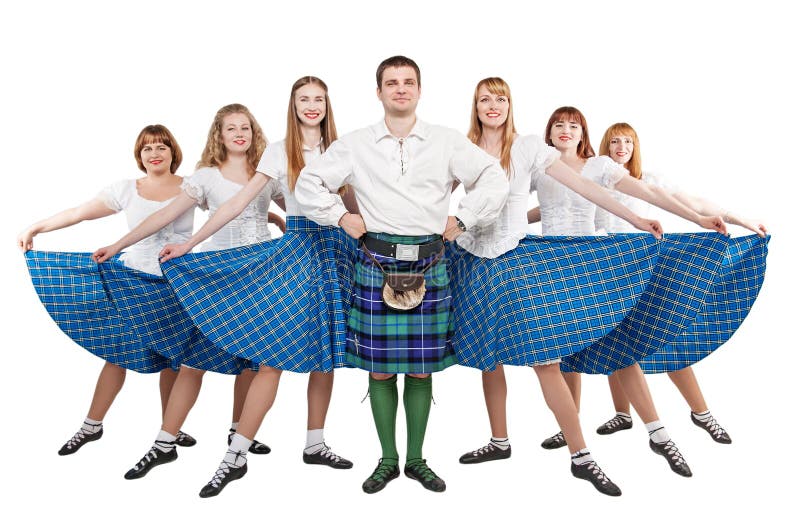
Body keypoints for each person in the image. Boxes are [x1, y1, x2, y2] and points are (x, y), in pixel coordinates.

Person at [294, 56, 509, 494]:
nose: (400, 89)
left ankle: (417, 460)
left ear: (419, 89)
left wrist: (464, 219)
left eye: (408, 82)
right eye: (391, 83)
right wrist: (340, 216)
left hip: (430, 262)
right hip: (376, 262)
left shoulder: (446, 141)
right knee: (378, 370)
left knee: (421, 370)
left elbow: (493, 178)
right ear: (378, 92)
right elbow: (308, 184)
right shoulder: (355, 144)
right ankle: (387, 460)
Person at [153, 77, 356, 497]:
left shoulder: (346, 147)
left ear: (327, 105)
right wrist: (190, 243)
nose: (312, 106)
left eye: (319, 99)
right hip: (299, 250)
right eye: (304, 100)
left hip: (339, 248)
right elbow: (238, 202)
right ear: (293, 105)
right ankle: (236, 454)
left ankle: (315, 442)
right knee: (272, 357)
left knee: (326, 355)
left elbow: (355, 204)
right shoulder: (281, 150)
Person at [531, 107, 729, 477]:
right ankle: (571, 428)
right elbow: (526, 205)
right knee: (561, 352)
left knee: (622, 345)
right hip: (550, 262)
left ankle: (659, 433)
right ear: (548, 131)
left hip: (595, 260)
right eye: (558, 124)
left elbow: (650, 191)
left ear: (584, 134)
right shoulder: (539, 165)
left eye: (574, 125)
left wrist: (703, 220)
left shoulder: (598, 167)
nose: (565, 130)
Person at [93, 104, 277, 479]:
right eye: (231, 128)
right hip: (213, 274)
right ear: (219, 135)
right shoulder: (206, 176)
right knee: (193, 361)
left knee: (254, 361)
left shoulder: (267, 172)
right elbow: (163, 215)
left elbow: (296, 210)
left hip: (259, 271)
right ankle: (164, 442)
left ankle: (237, 432)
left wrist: (280, 220)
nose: (239, 133)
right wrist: (117, 245)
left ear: (254, 132)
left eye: (245, 127)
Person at [18, 125, 198, 457]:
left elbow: (231, 207)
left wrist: (271, 215)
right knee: (117, 354)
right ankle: (91, 426)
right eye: (147, 149)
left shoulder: (193, 186)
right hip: (130, 279)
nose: (155, 153)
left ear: (173, 151)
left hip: (175, 284)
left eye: (161, 146)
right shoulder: (127, 189)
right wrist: (37, 226)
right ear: (139, 156)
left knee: (176, 358)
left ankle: (170, 431)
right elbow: (79, 213)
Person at [590, 122, 767, 444]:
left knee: (668, 338)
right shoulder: (594, 177)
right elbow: (554, 205)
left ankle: (702, 414)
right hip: (607, 265)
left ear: (635, 147)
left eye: (628, 142)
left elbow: (693, 202)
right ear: (605, 145)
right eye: (614, 141)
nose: (621, 147)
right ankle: (622, 414)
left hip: (645, 263)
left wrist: (739, 219)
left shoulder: (648, 181)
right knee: (613, 341)